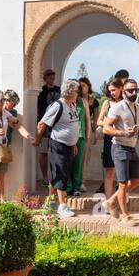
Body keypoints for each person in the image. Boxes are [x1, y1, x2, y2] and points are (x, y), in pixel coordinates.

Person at [34, 77, 82, 217]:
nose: (78, 94)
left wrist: (73, 144)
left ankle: (50, 202)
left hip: (68, 146)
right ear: (70, 92)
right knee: (60, 174)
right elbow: (42, 124)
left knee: (59, 174)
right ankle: (62, 205)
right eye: (76, 91)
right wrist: (37, 140)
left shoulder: (71, 105)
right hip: (58, 146)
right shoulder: (58, 105)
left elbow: (72, 125)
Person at [103, 77, 139, 221]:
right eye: (130, 90)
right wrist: (123, 133)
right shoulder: (117, 107)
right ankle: (125, 215)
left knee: (136, 181)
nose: (133, 92)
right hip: (119, 147)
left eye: (136, 90)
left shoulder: (138, 108)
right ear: (124, 92)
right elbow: (106, 128)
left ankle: (111, 201)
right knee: (123, 183)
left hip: (132, 148)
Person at [97, 79, 123, 200]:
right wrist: (109, 124)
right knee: (109, 171)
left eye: (114, 90)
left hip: (122, 138)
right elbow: (99, 121)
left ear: (121, 89)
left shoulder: (126, 103)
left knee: (123, 173)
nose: (111, 93)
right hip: (109, 138)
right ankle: (108, 201)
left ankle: (120, 200)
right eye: (110, 91)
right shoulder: (107, 103)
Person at [68, 77, 93, 195]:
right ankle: (67, 187)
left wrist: (88, 136)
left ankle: (76, 187)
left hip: (80, 136)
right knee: (68, 162)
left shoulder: (83, 101)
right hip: (68, 137)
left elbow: (87, 119)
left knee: (78, 163)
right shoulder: (66, 101)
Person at [35, 68, 61, 185]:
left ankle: (56, 177)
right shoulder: (40, 91)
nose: (51, 76)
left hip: (57, 126)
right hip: (45, 126)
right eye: (48, 74)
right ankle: (45, 177)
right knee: (44, 152)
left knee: (57, 152)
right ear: (44, 77)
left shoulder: (59, 90)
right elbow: (37, 109)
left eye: (53, 74)